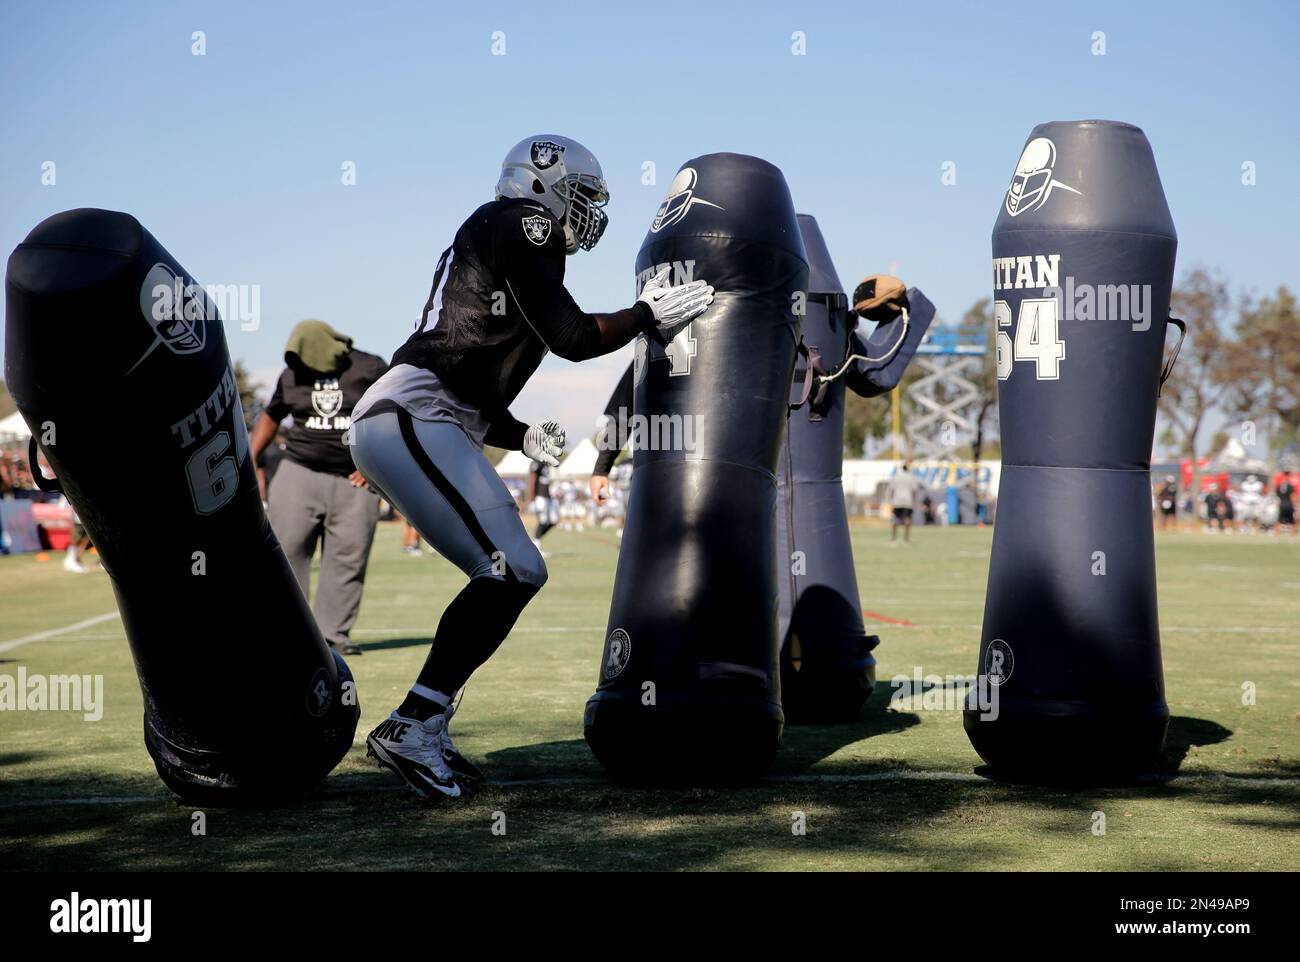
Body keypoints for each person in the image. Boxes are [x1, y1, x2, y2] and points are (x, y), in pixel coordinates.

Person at [345, 135, 714, 799]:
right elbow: (572, 339)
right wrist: (643, 316)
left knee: (519, 568)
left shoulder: (505, 235)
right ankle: (414, 723)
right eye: (583, 194)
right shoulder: (526, 221)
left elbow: (473, 374)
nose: (589, 212)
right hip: (415, 411)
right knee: (509, 567)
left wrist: (522, 437)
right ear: (545, 183)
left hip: (435, 415)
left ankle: (421, 722)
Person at [249, 320, 389, 656]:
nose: (299, 366)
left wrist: (375, 467)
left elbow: (396, 414)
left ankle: (332, 636)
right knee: (286, 553)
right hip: (299, 471)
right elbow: (271, 415)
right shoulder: (290, 375)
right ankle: (287, 634)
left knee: (347, 558)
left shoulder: (370, 368)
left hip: (354, 479)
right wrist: (250, 459)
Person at [526, 457, 558, 554]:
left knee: (553, 521)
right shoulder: (537, 462)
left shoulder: (547, 463)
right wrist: (532, 497)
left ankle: (535, 541)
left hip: (548, 497)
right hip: (540, 497)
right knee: (542, 521)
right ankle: (537, 547)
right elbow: (533, 479)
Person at [886, 462, 920, 542]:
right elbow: (914, 491)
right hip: (907, 501)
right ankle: (906, 538)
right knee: (907, 519)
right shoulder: (911, 477)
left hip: (897, 501)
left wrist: (891, 500)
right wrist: (913, 501)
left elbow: (891, 490)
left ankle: (894, 537)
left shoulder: (896, 477)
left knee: (895, 519)